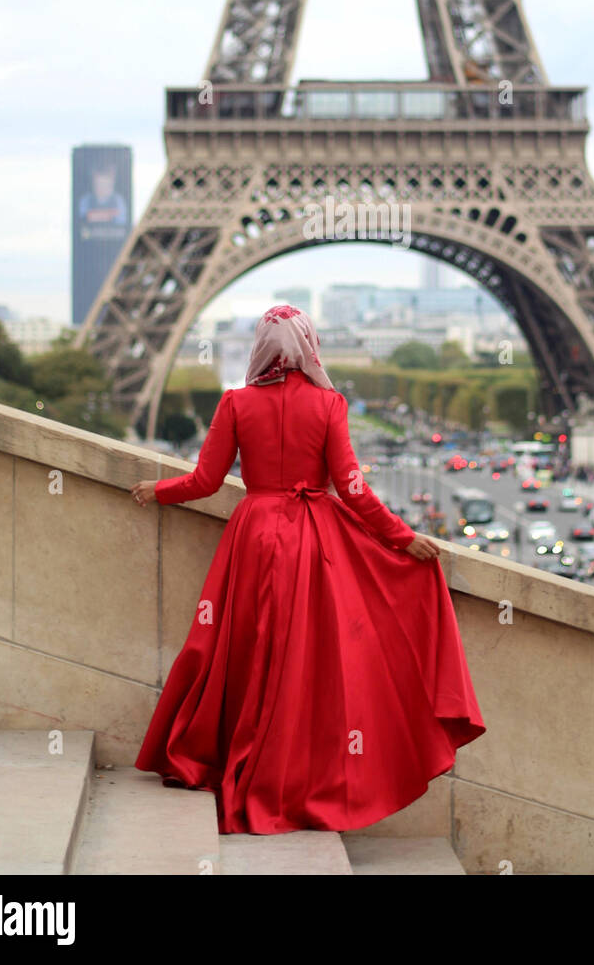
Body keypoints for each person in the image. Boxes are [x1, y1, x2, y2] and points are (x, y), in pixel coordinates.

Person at [131, 305, 485, 835]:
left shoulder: (236, 403)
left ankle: (226, 753)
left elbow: (205, 480)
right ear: (310, 345)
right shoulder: (328, 404)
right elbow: (354, 489)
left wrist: (156, 489)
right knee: (304, 664)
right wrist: (402, 538)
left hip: (252, 535)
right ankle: (293, 773)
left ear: (261, 348)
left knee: (246, 651)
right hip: (310, 541)